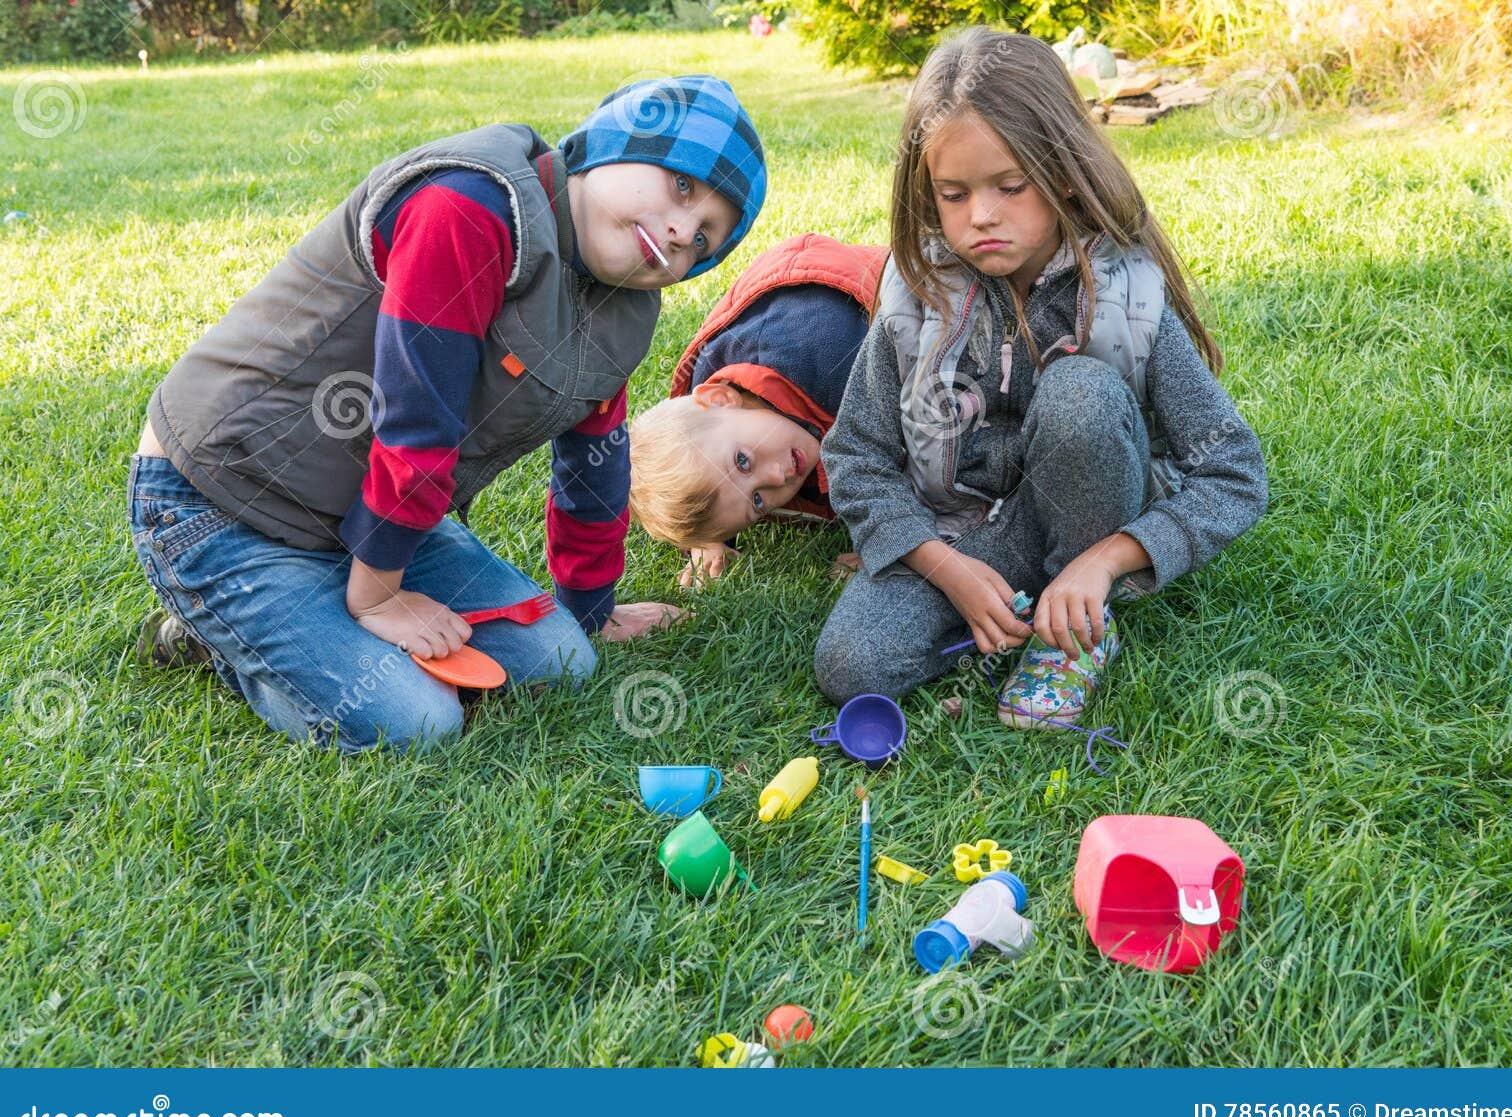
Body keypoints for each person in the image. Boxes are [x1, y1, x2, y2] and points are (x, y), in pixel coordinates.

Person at [129, 76, 766, 750]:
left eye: (704, 241)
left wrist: (592, 611)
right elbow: (416, 423)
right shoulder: (470, 205)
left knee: (563, 661)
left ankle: (324, 606)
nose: (680, 232)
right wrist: (378, 596)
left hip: (362, 518)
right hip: (225, 500)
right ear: (607, 146)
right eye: (683, 187)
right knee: (416, 724)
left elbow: (593, 465)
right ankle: (218, 630)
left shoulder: (622, 309)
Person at [814, 28, 1268, 729]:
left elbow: (1233, 471)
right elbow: (857, 453)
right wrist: (946, 570)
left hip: (1090, 523)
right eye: (954, 195)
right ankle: (1015, 612)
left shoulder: (1128, 294)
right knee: (852, 666)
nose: (982, 217)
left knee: (1079, 396)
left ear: (1060, 172)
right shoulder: (916, 292)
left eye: (1009, 186)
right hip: (961, 535)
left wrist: (1106, 562)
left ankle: (1076, 623)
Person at [628, 233, 885, 586]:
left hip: (868, 294)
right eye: (758, 501)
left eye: (744, 461)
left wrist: (891, 541)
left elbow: (928, 444)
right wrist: (709, 537)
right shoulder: (715, 421)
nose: (777, 478)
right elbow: (708, 478)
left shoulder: (839, 359)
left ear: (720, 399)